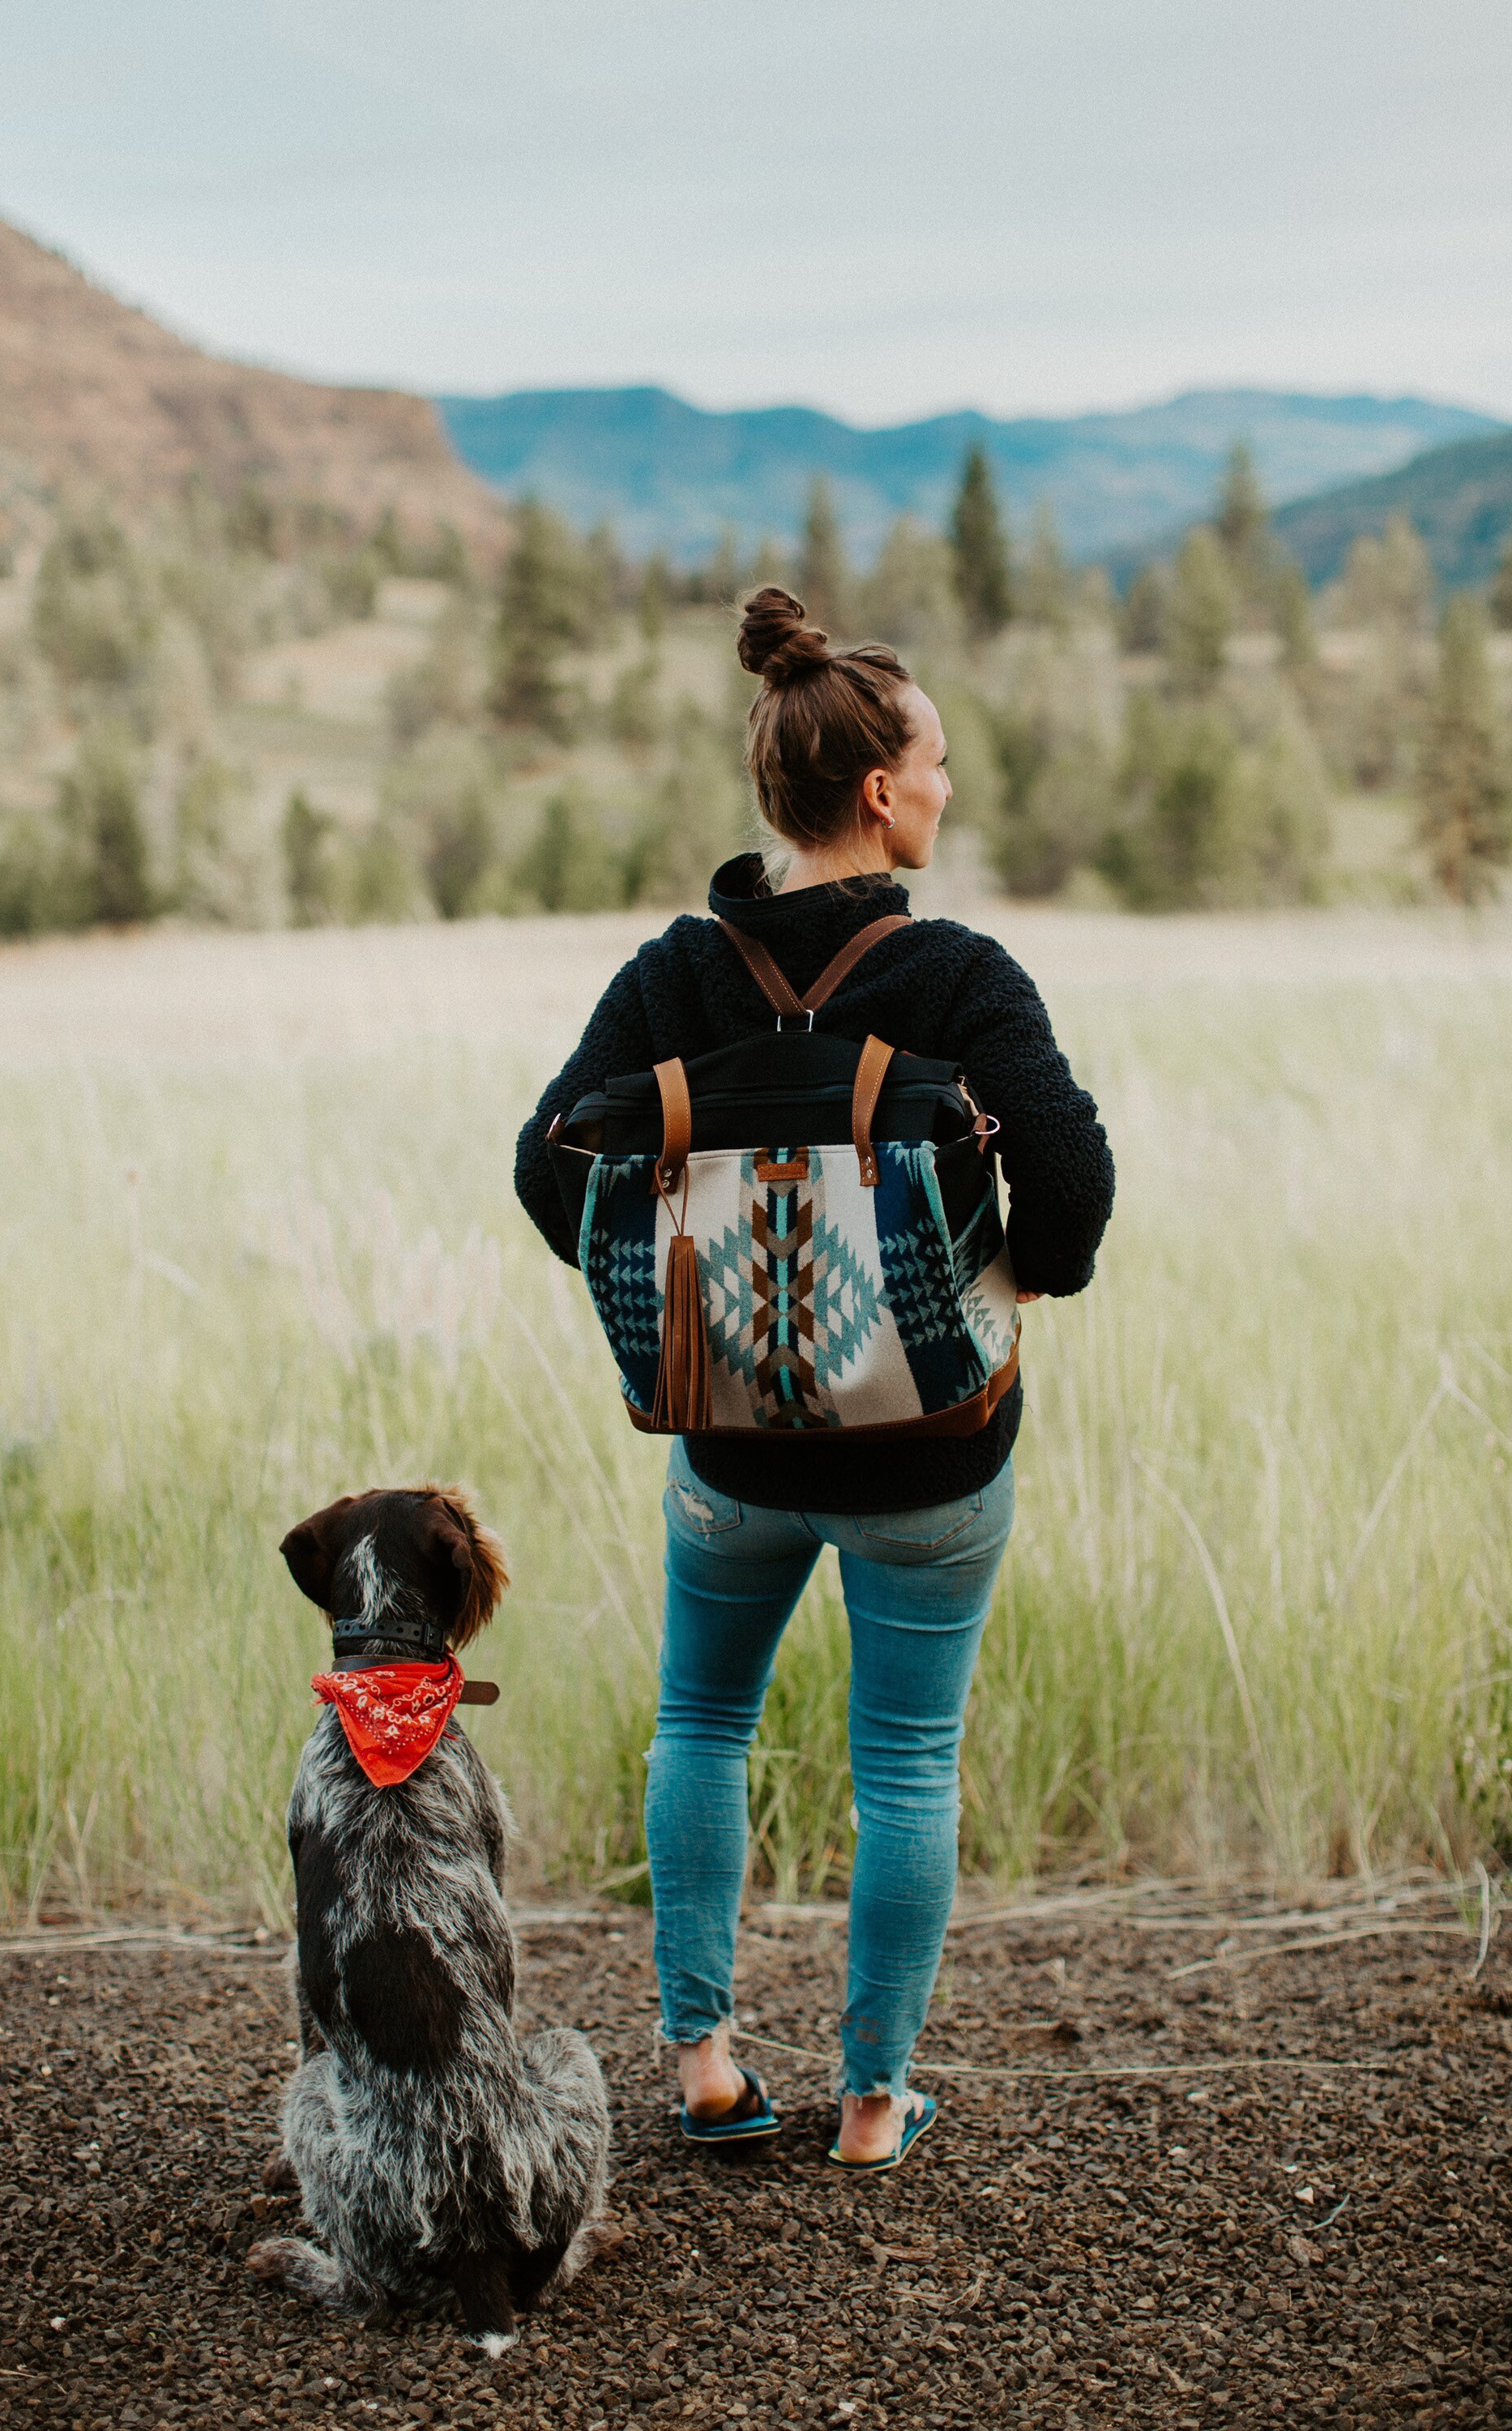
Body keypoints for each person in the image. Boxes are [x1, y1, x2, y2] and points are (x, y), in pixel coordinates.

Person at [514, 587, 1114, 2169]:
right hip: (931, 1461)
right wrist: (1020, 1278)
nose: (946, 788)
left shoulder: (674, 976)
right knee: (905, 1759)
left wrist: (673, 1289)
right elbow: (1071, 1180)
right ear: (876, 792)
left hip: (730, 1452)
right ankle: (868, 2103)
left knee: (700, 1720)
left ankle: (706, 2065)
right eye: (936, 764)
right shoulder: (960, 978)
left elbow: (543, 1166)